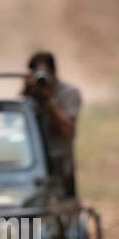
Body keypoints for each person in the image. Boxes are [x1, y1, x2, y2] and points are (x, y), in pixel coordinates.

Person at [23, 51, 82, 194]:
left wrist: (48, 101)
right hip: (32, 172)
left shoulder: (69, 93)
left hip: (60, 169)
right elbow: (12, 126)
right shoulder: (28, 95)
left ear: (54, 71)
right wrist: (25, 93)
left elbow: (66, 130)